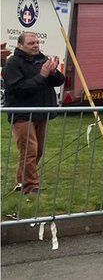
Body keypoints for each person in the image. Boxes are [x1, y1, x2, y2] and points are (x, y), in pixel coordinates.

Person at [2, 32, 64, 196]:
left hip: (41, 112)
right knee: (29, 150)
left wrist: (54, 73)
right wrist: (42, 76)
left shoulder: (41, 59)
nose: (36, 45)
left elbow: (58, 81)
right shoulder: (13, 64)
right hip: (22, 113)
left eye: (37, 42)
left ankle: (21, 182)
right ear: (20, 45)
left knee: (38, 151)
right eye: (31, 43)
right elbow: (18, 88)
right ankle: (31, 187)